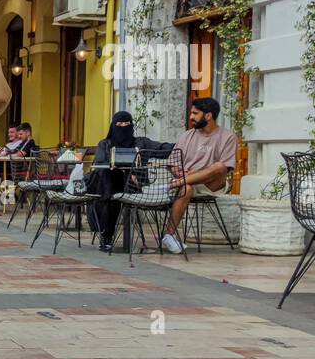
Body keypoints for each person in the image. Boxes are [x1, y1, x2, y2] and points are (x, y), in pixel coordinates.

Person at [85, 111, 171, 252]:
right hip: (110, 185)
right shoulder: (105, 144)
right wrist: (124, 173)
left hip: (132, 187)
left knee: (109, 193)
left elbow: (163, 149)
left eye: (127, 123)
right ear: (113, 126)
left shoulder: (141, 143)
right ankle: (106, 233)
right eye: (119, 124)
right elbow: (101, 164)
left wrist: (186, 143)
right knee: (109, 179)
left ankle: (106, 235)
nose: (123, 126)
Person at [163, 97, 238, 254]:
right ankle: (169, 236)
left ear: (208, 116)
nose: (191, 117)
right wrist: (181, 174)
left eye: (195, 113)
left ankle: (175, 183)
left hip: (212, 185)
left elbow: (224, 169)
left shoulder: (228, 137)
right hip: (187, 184)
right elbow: (173, 164)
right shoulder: (186, 136)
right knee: (186, 188)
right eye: (191, 113)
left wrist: (192, 175)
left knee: (219, 166)